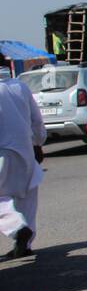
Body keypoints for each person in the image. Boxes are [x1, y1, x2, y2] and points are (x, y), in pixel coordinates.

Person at [0, 74, 45, 259]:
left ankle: (17, 228)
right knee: (27, 196)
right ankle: (25, 243)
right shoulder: (20, 86)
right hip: (26, 150)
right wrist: (38, 142)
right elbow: (37, 120)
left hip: (2, 152)